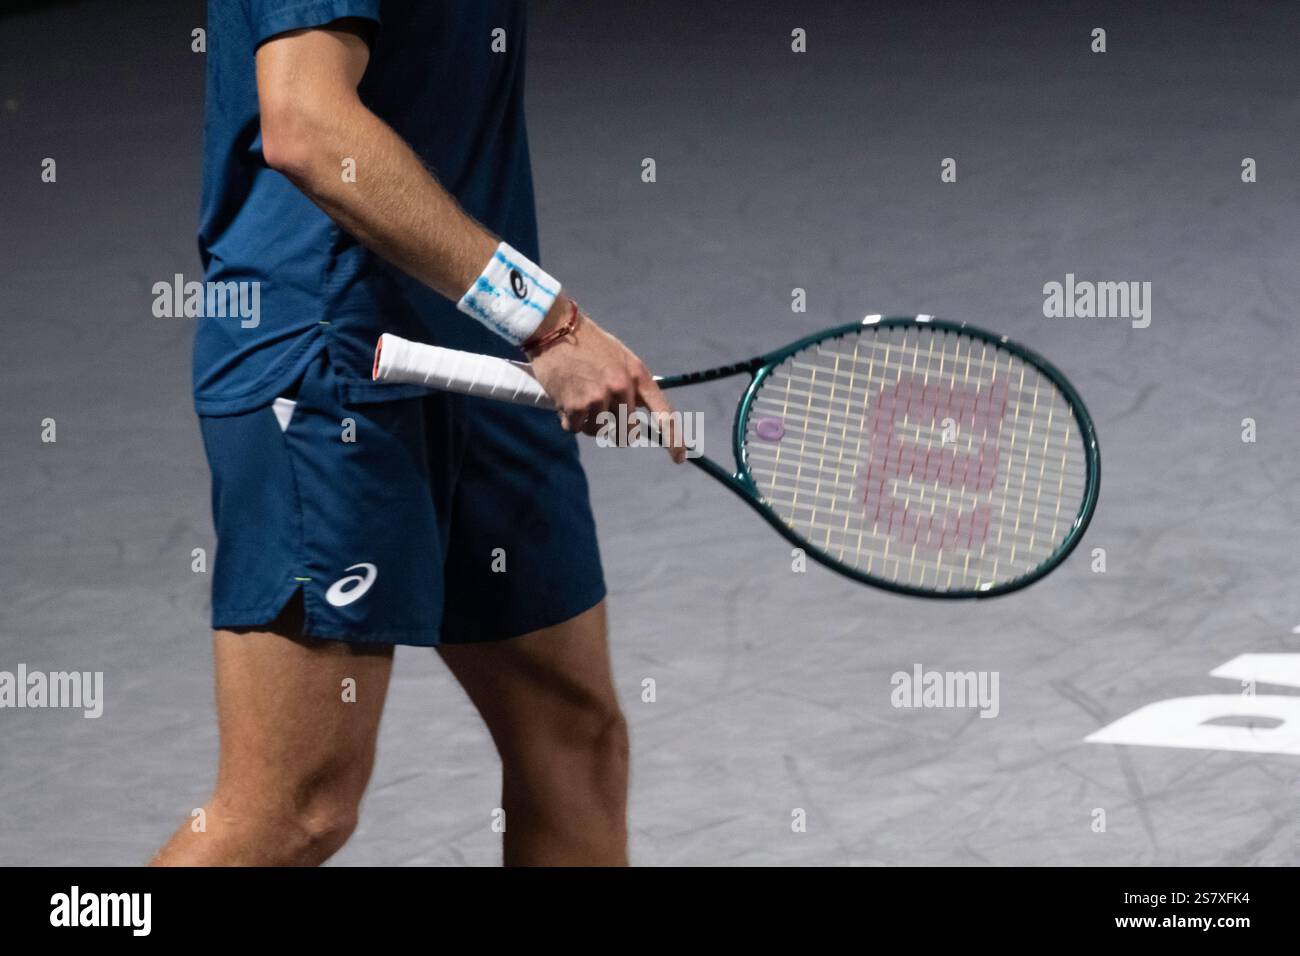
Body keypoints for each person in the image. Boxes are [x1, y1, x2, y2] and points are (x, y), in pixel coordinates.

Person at [152, 1, 681, 867]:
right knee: (295, 809)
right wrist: (545, 319)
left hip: (482, 350)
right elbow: (307, 123)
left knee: (572, 742)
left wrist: (522, 325)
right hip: (333, 356)